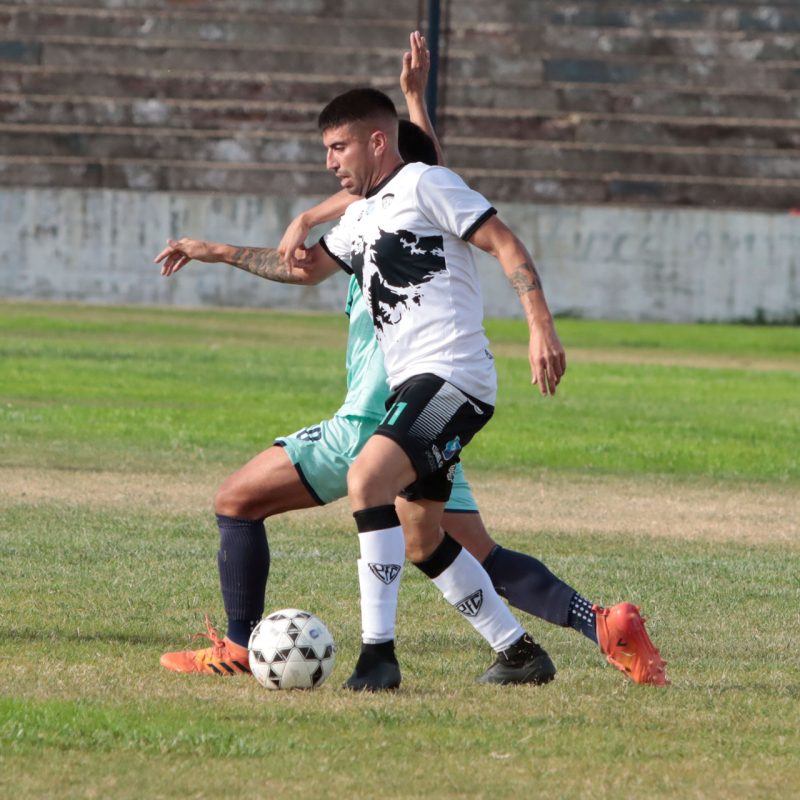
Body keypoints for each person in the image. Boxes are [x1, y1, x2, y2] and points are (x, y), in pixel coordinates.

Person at [156, 34, 664, 689]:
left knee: (366, 478)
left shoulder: (426, 183)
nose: (330, 163)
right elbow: (302, 270)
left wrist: (540, 325)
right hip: (414, 394)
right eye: (325, 152)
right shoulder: (361, 220)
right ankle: (522, 654)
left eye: (338, 148)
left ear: (375, 140)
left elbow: (502, 240)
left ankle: (377, 660)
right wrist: (216, 251)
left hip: (450, 378)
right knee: (425, 539)